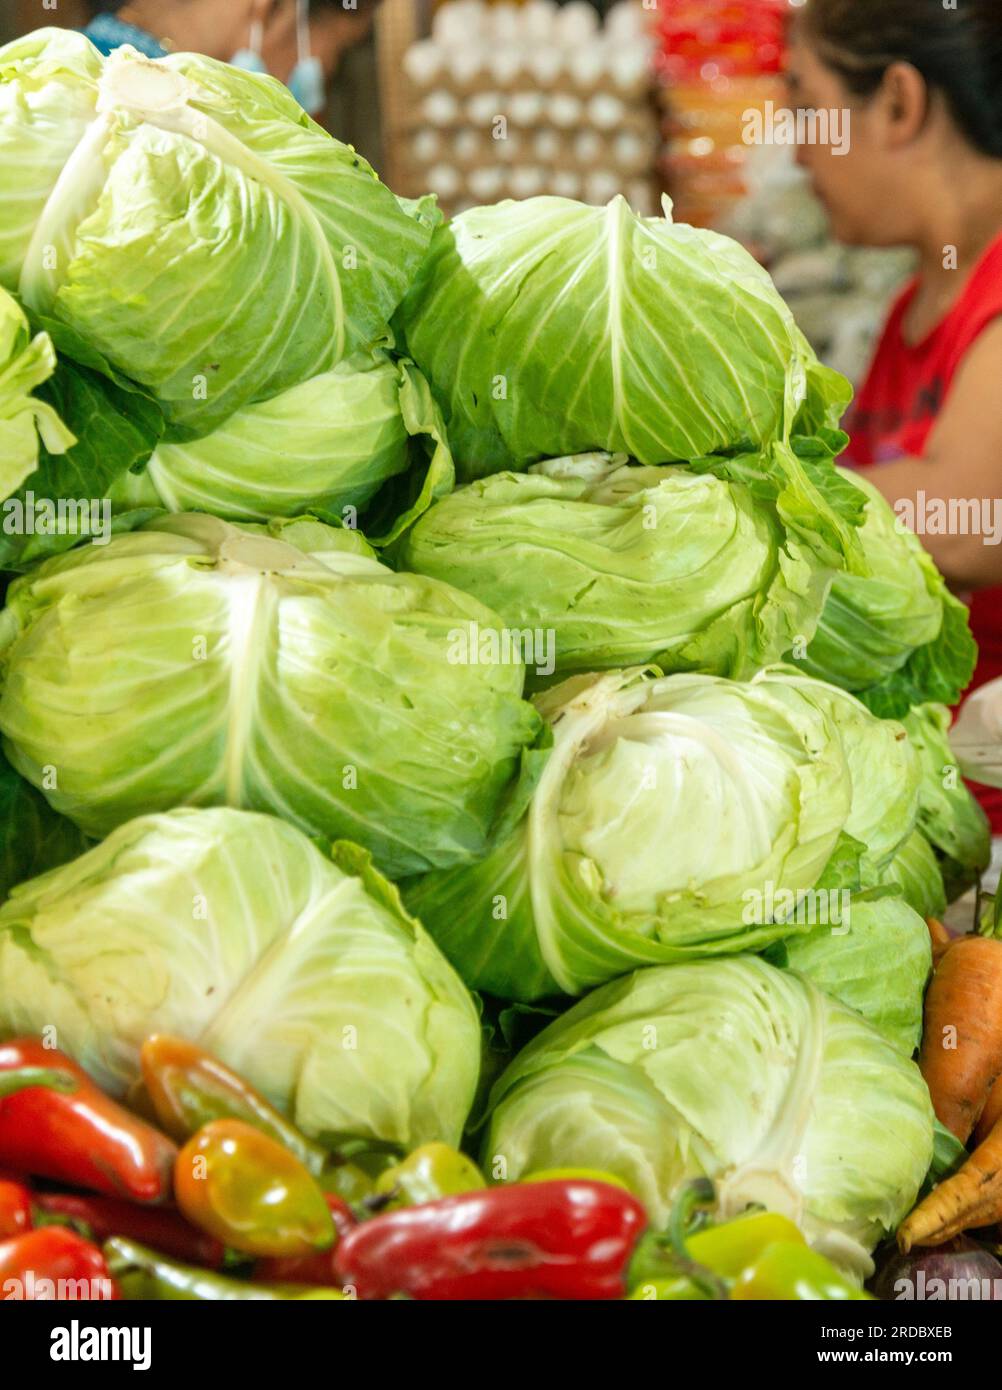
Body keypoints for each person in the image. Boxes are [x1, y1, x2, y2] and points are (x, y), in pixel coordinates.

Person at [789, 0, 1002, 828]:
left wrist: (734, 497)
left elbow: (969, 520)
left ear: (901, 103)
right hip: (926, 803)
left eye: (807, 107)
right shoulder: (921, 300)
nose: (799, 150)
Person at [82, 0, 376, 116]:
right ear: (267, 9)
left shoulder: (76, 53)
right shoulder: (167, 116)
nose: (326, 75)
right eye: (340, 53)